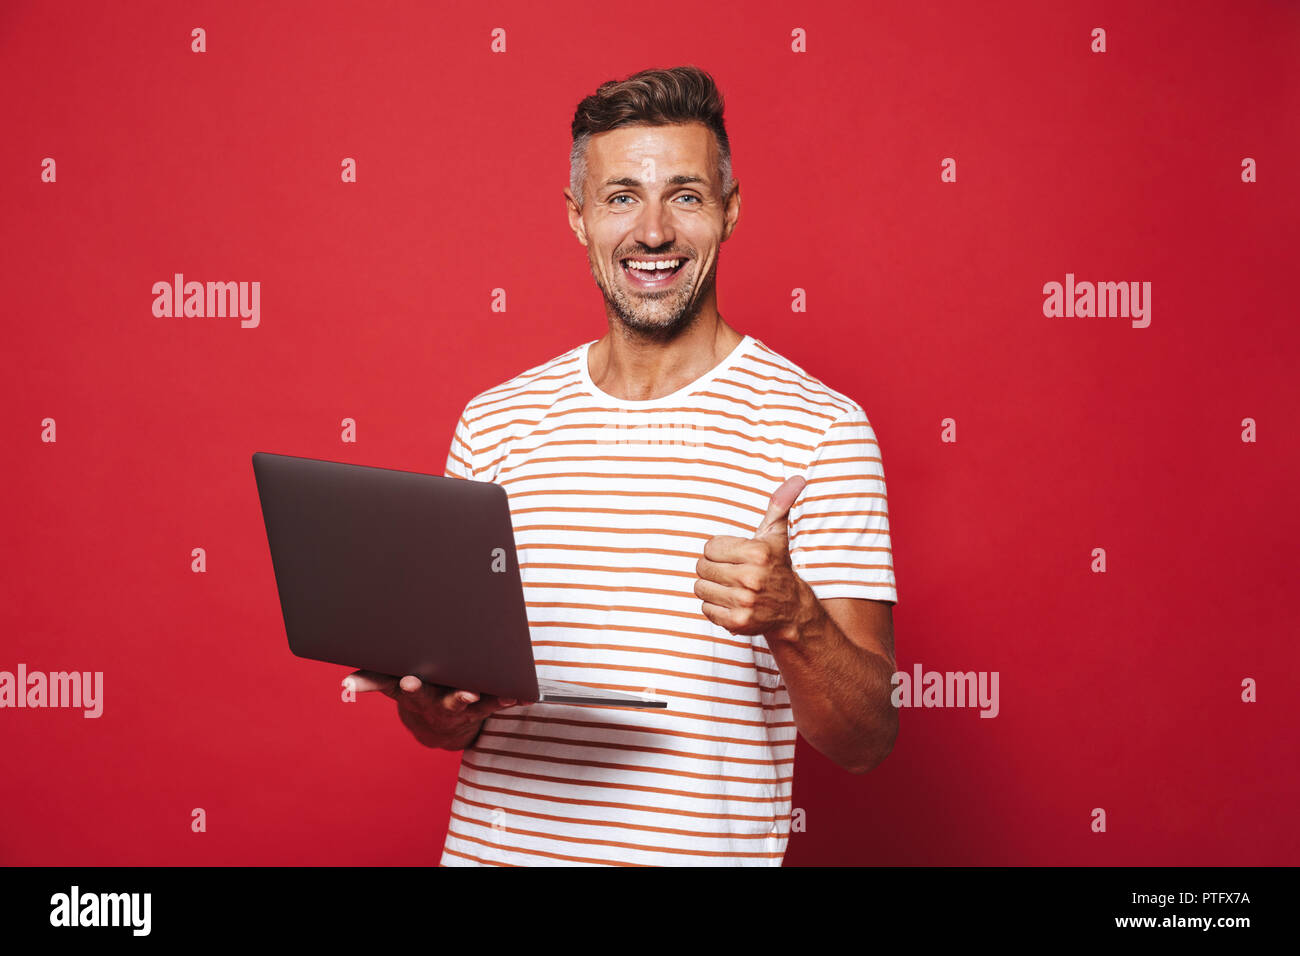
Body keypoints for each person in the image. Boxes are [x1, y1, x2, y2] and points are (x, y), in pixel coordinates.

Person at [348, 65, 898, 866]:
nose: (651, 233)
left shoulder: (822, 429)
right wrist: (435, 712)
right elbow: (447, 715)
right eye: (620, 198)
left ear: (729, 211)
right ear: (578, 219)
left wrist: (794, 617)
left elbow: (868, 738)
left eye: (685, 195)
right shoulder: (493, 422)